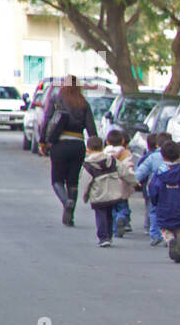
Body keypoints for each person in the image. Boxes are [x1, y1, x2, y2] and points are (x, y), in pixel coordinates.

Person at [43, 78, 98, 226]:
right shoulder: (83, 103)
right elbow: (91, 128)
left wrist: (43, 141)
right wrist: (95, 147)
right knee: (73, 181)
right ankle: (70, 215)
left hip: (60, 144)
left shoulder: (56, 100)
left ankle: (66, 201)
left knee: (57, 180)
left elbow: (47, 119)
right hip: (78, 145)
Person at [78, 135, 136, 247]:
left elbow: (85, 182)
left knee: (100, 215)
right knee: (110, 214)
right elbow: (125, 172)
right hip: (113, 193)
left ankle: (103, 237)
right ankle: (109, 235)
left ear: (88, 149)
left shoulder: (88, 165)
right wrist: (133, 182)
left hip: (98, 195)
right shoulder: (112, 161)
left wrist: (85, 196)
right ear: (102, 146)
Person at [147, 140, 180, 263]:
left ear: (162, 155)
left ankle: (170, 240)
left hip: (164, 205)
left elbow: (153, 189)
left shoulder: (159, 173)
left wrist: (155, 201)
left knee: (165, 228)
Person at [135, 133, 169, 247]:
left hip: (154, 188)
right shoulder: (173, 156)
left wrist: (135, 181)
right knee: (167, 211)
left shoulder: (153, 157)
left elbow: (142, 170)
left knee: (153, 211)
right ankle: (167, 234)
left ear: (157, 144)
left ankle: (155, 234)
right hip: (170, 189)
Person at [104, 129, 136, 237]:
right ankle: (122, 217)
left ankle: (116, 230)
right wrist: (133, 182)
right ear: (123, 141)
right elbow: (129, 169)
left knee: (112, 210)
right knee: (123, 207)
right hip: (122, 186)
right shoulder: (126, 153)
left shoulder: (104, 154)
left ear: (107, 142)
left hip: (108, 186)